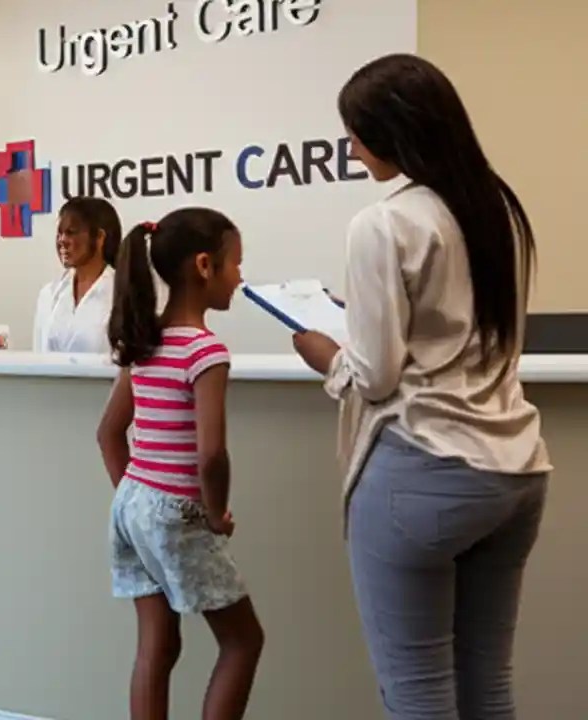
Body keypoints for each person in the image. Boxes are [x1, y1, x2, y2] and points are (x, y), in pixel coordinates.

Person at [293, 53, 551, 720]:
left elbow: (375, 375)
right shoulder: (497, 207)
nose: (350, 150)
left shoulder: (383, 222)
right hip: (518, 471)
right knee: (487, 683)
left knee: (416, 690)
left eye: (355, 134)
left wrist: (329, 356)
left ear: (394, 132)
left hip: (423, 470)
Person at [98, 208, 264, 720]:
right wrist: (215, 515)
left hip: (130, 506)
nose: (241, 275)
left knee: (157, 646)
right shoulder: (206, 351)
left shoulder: (144, 342)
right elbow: (211, 455)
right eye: (236, 263)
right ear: (204, 266)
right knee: (243, 642)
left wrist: (137, 500)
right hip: (176, 513)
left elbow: (108, 433)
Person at [32, 196, 122, 354]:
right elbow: (38, 356)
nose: (62, 241)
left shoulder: (122, 293)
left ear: (100, 237)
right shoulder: (49, 293)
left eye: (71, 233)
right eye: (60, 233)